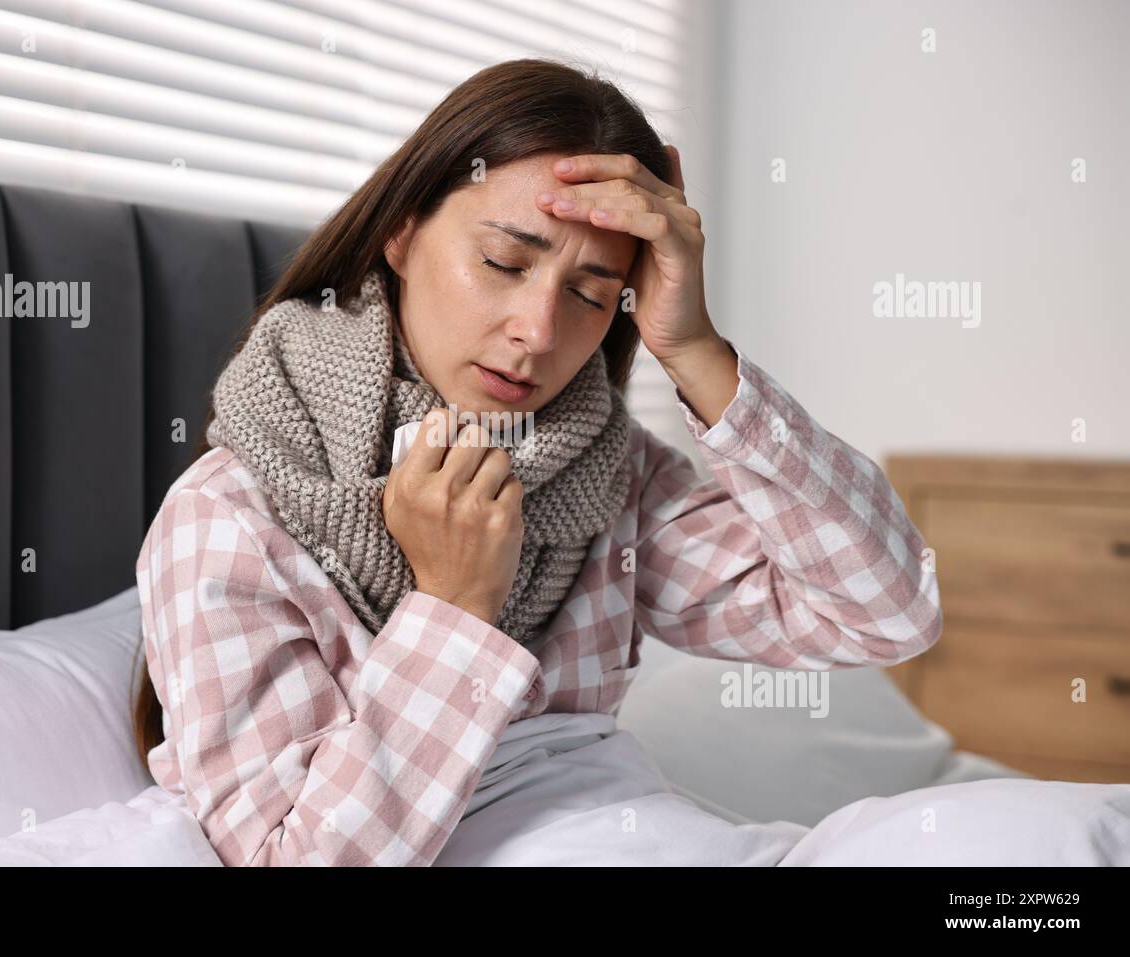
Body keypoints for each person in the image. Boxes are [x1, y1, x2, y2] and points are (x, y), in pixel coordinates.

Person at [130, 58, 942, 866]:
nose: (539, 330)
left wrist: (695, 350)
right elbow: (292, 858)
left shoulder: (611, 477)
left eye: (591, 293)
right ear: (402, 232)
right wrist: (453, 604)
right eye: (505, 264)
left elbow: (886, 613)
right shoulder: (228, 520)